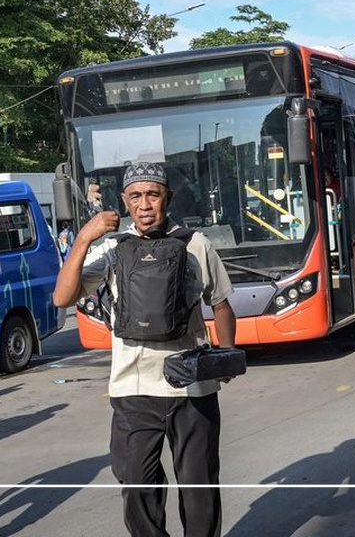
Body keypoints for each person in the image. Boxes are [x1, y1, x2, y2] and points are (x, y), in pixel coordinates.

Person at [53, 162, 236, 537]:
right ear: (124, 201)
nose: (145, 204)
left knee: (199, 487)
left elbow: (220, 303)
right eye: (135, 196)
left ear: (166, 197)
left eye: (153, 194)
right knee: (135, 483)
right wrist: (84, 237)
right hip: (133, 388)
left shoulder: (195, 243)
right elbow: (62, 297)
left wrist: (227, 354)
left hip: (191, 386)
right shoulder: (113, 249)